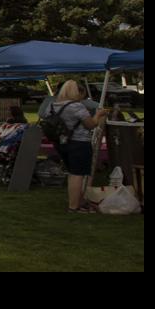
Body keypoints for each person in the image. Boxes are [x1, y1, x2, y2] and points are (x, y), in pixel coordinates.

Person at [42, 79, 115, 214]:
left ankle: (76, 202)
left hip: (60, 142)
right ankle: (74, 206)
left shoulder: (52, 106)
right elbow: (91, 124)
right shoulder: (77, 106)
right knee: (78, 175)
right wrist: (98, 115)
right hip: (79, 142)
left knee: (72, 173)